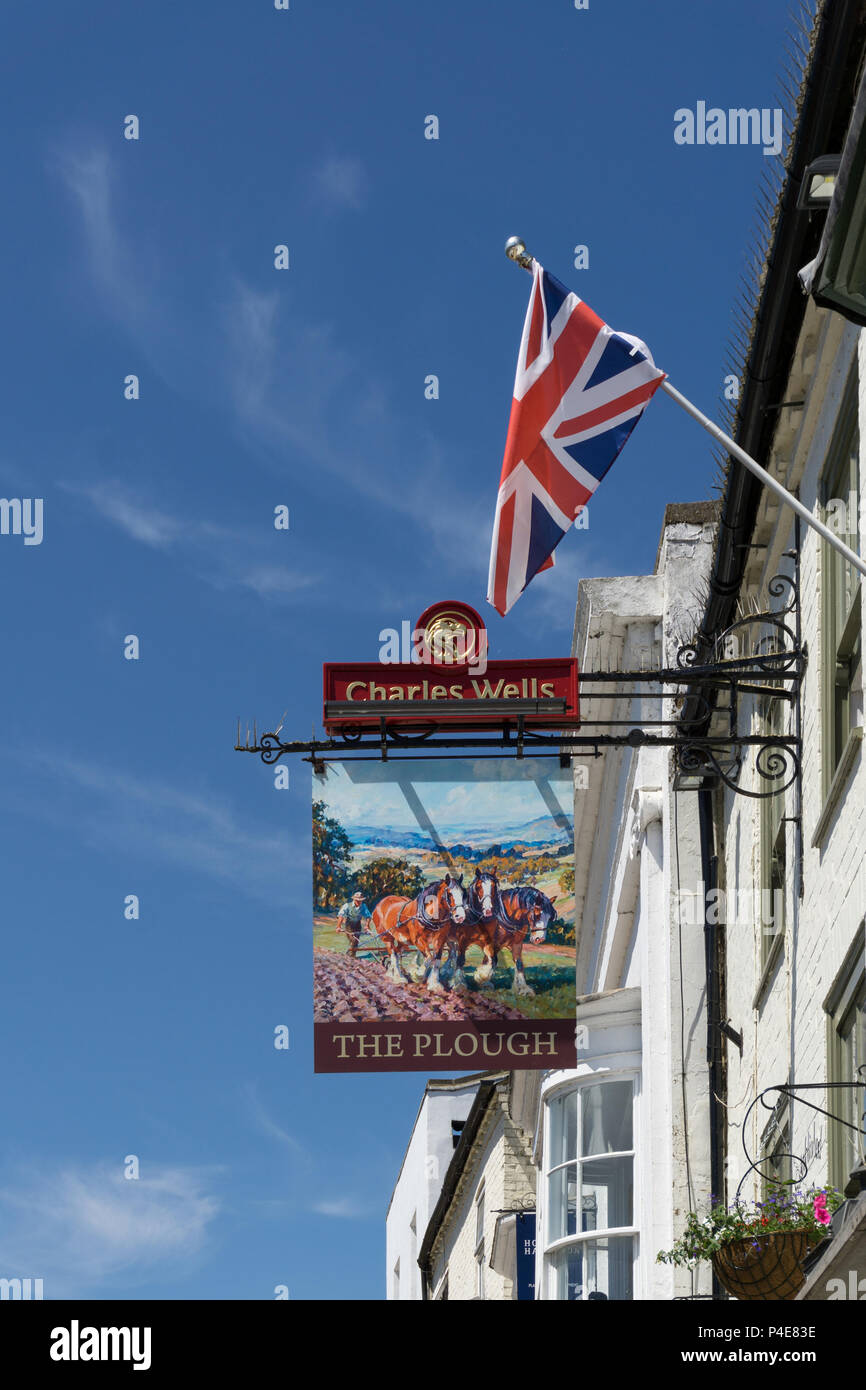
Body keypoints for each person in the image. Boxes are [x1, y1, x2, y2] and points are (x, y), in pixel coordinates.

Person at [336, 891, 371, 958]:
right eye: (357, 900)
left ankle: (352, 955)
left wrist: (367, 926)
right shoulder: (347, 905)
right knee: (353, 940)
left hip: (358, 925)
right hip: (349, 925)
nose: (359, 902)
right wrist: (338, 926)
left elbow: (368, 916)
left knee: (356, 942)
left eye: (360, 901)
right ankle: (351, 956)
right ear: (354, 899)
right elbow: (341, 915)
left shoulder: (363, 906)